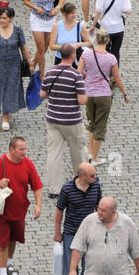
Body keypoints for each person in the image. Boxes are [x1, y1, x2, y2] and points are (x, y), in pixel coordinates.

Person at [0, 134, 43, 275]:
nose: (24, 152)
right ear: (12, 149)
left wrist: (38, 205)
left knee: (13, 239)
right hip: (2, 213)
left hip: (19, 212)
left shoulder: (28, 164)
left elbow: (37, 186)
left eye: (25, 149)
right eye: (21, 149)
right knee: (2, 243)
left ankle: (8, 263)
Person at [55, 163, 102, 275]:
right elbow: (59, 211)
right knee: (71, 269)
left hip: (90, 233)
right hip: (71, 233)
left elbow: (99, 207)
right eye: (92, 176)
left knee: (89, 266)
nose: (95, 178)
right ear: (82, 176)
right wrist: (57, 233)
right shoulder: (67, 188)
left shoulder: (95, 185)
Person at [41, 43, 88, 195]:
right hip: (72, 120)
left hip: (53, 119)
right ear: (73, 56)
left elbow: (42, 94)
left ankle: (54, 189)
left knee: (54, 154)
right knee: (78, 153)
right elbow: (82, 100)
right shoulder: (76, 75)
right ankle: (83, 183)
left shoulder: (50, 72)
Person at [78, 30, 128, 166]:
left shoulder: (86, 54)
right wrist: (125, 93)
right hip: (104, 94)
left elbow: (79, 72)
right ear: (107, 41)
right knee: (101, 126)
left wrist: (86, 76)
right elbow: (117, 79)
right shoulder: (111, 58)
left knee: (92, 123)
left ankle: (90, 153)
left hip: (89, 93)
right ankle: (95, 157)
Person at [0, 5, 29, 133]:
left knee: (10, 89)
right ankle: (6, 112)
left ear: (11, 18)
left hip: (14, 65)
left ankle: (6, 117)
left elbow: (24, 48)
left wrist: (30, 63)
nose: (2, 21)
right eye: (0, 18)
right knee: (1, 88)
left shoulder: (17, 30)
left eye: (4, 18)